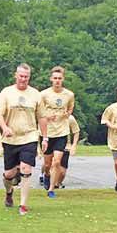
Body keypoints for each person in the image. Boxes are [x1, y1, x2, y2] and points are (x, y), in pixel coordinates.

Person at [0, 63, 46, 214]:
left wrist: (45, 138)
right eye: (21, 76)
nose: (23, 79)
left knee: (26, 168)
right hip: (10, 138)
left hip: (29, 136)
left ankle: (23, 204)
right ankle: (9, 192)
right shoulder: (7, 92)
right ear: (15, 76)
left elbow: (42, 117)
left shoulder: (35, 94)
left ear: (29, 78)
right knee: (9, 174)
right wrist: (5, 127)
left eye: (26, 77)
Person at [38, 65, 76, 198]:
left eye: (59, 78)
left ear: (63, 79)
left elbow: (70, 109)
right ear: (51, 79)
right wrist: (47, 117)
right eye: (55, 78)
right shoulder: (43, 94)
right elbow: (38, 112)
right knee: (47, 163)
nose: (57, 81)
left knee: (57, 162)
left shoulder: (69, 95)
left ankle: (51, 189)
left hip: (62, 132)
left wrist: (66, 114)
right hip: (47, 132)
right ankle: (46, 174)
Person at [50, 113, 80, 191]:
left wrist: (74, 145)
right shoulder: (50, 116)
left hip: (65, 146)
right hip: (51, 144)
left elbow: (76, 132)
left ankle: (57, 184)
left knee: (62, 172)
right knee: (51, 164)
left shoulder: (70, 118)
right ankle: (49, 181)